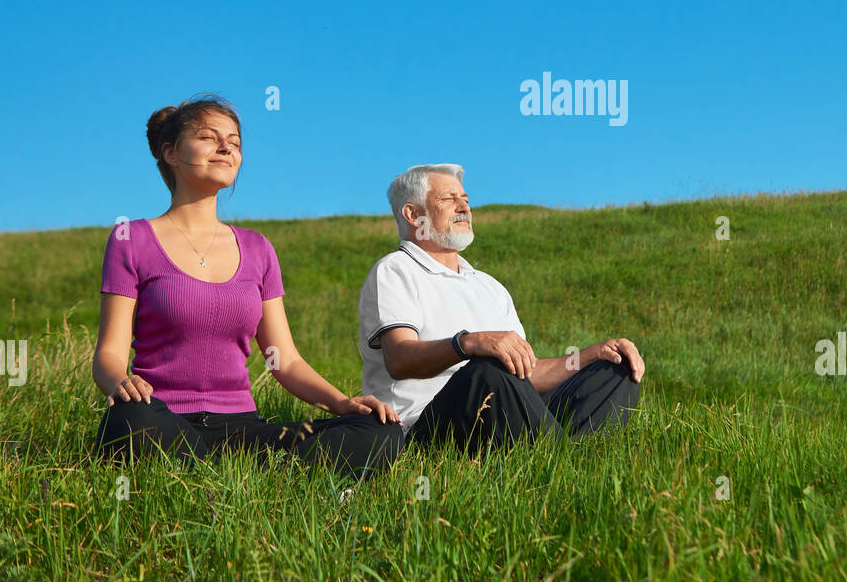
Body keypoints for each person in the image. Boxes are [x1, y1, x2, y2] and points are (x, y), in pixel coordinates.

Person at [92, 94, 403, 480]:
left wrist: (342, 403)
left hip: (243, 429)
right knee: (130, 419)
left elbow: (284, 360)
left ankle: (216, 475)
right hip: (161, 417)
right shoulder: (131, 238)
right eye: (208, 137)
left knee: (381, 430)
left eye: (235, 142)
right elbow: (108, 354)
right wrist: (121, 382)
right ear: (171, 153)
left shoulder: (258, 249)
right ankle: (248, 478)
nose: (225, 147)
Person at [358, 164, 644, 452]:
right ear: (412, 214)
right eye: (449, 199)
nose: (464, 208)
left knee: (615, 370)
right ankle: (562, 461)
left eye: (466, 200)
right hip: (423, 430)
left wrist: (591, 355)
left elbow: (524, 375)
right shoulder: (395, 271)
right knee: (488, 370)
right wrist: (469, 343)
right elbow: (400, 360)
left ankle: (571, 459)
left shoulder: (488, 286)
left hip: (496, 410)